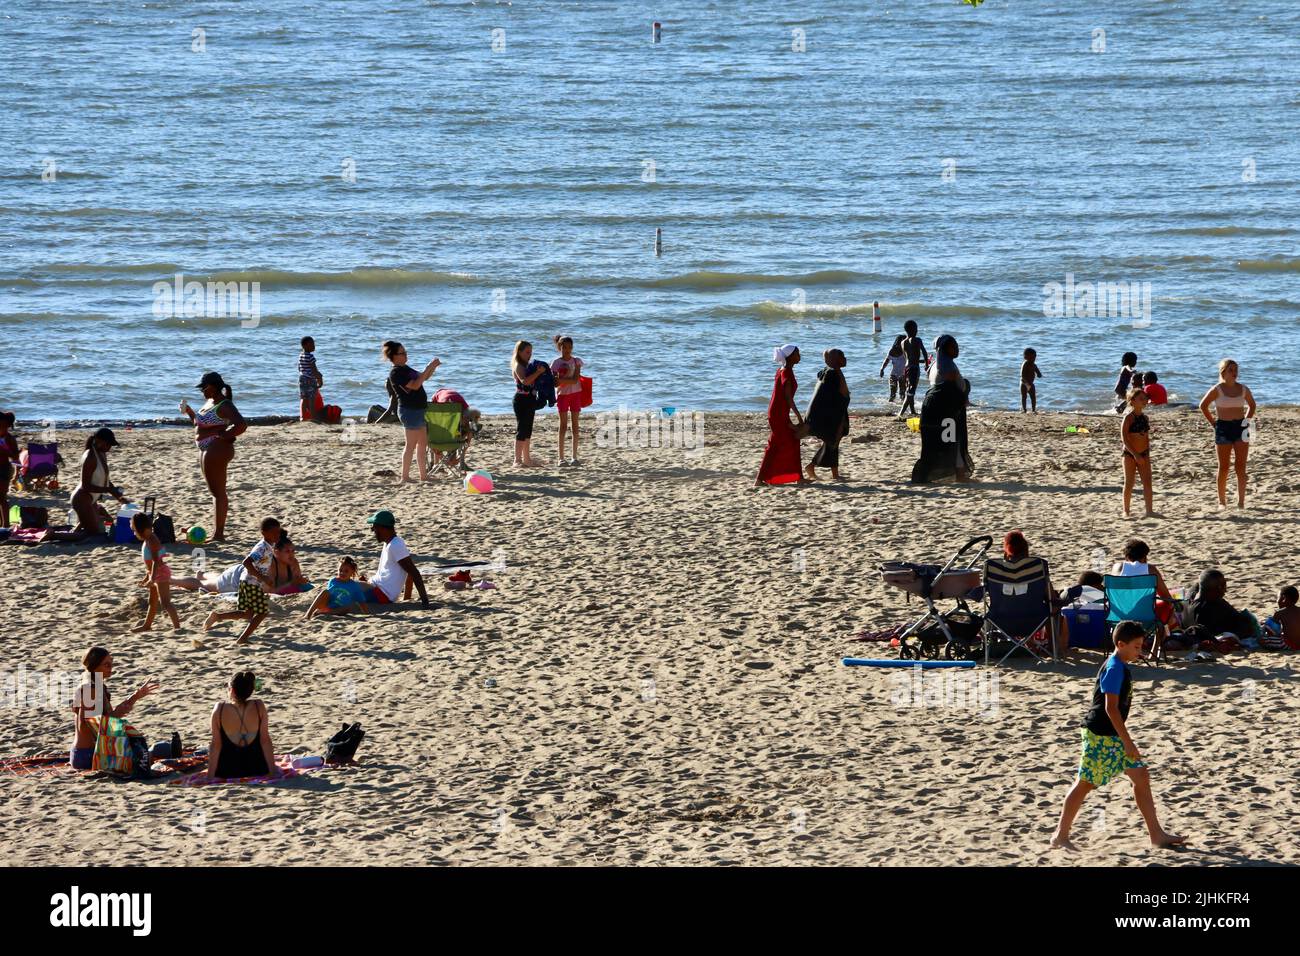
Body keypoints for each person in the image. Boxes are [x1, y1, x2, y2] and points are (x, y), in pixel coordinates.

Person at [1050, 621, 1185, 850]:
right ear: (1120, 644)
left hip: (1111, 735)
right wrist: (1127, 742)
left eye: (1141, 646)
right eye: (1136, 647)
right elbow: (1110, 709)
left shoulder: (1120, 665)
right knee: (1085, 784)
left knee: (1141, 776)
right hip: (1101, 735)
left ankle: (1156, 834)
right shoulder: (1114, 668)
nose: (1139, 651)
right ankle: (1060, 836)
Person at [69, 646, 161, 771]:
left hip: (90, 752)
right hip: (88, 755)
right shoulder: (90, 689)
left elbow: (109, 717)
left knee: (151, 753)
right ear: (95, 667)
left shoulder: (95, 685)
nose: (111, 668)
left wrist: (135, 696)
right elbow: (87, 724)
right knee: (153, 754)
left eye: (111, 663)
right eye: (106, 665)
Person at [181, 372, 245, 542]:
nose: (202, 391)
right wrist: (190, 412)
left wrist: (225, 436)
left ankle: (219, 534)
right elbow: (199, 424)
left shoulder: (224, 404)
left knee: (218, 493)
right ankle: (218, 533)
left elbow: (241, 424)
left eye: (204, 387)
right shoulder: (209, 402)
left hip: (217, 447)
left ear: (213, 387)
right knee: (214, 492)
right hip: (206, 447)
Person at [202, 517, 281, 643]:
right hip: (251, 583)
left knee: (247, 614)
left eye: (279, 532)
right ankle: (243, 639)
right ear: (264, 533)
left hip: (247, 582)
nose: (278, 535)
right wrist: (263, 578)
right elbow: (246, 562)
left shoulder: (269, 546)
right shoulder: (262, 548)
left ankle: (217, 616)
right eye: (274, 532)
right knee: (262, 613)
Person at [47, 428, 129, 543]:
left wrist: (118, 497)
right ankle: (53, 535)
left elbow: (105, 481)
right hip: (81, 500)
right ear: (99, 441)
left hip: (91, 500)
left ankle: (78, 527)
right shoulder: (90, 457)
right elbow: (86, 486)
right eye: (108, 444)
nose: (110, 448)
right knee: (91, 533)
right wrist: (106, 489)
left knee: (107, 521)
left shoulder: (101, 454)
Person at [911, 336, 973, 483]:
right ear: (945, 349)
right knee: (952, 440)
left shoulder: (935, 364)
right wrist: (964, 396)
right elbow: (950, 388)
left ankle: (932, 474)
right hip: (945, 409)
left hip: (933, 407)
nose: (957, 349)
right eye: (953, 346)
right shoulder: (948, 366)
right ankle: (959, 475)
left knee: (936, 442)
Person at [1198, 358, 1256, 509]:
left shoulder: (1243, 389)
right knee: (1223, 467)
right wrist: (1213, 423)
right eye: (1231, 370)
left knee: (1240, 466)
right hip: (1223, 427)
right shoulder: (1217, 389)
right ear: (1223, 372)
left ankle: (1241, 502)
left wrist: (1247, 421)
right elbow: (1203, 406)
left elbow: (1252, 405)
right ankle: (1221, 502)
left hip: (1241, 427)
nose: (1234, 373)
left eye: (1236, 370)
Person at [382, 341, 440, 482]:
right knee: (410, 445)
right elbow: (414, 385)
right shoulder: (396, 372)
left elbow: (423, 378)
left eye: (405, 352)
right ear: (395, 356)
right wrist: (428, 368)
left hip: (418, 410)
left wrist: (432, 367)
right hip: (409, 411)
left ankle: (423, 475)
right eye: (402, 353)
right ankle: (405, 477)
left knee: (422, 444)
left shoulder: (406, 368)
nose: (406, 355)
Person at [207, 670, 276, 780]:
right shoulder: (259, 706)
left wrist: (209, 777)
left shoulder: (219, 709)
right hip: (257, 769)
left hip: (227, 770)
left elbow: (216, 745)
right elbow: (265, 740)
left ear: (232, 690)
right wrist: (273, 771)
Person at [756, 345, 805, 486]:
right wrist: (800, 418)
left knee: (793, 441)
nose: (799, 355)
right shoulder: (786, 373)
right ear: (790, 357)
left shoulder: (783, 370)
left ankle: (798, 477)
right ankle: (759, 479)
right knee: (775, 445)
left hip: (778, 412)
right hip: (778, 414)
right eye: (797, 353)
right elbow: (789, 399)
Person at [1111, 538, 1178, 637]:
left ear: (1126, 556)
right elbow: (1166, 597)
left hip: (1117, 618)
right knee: (1169, 604)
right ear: (1145, 556)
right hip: (1145, 620)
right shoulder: (1150, 569)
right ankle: (1165, 638)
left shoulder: (1117, 567)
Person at [366, 510, 430, 607]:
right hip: (376, 587)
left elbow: (414, 572)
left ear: (381, 528)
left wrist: (425, 602)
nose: (373, 531)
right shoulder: (388, 542)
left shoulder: (396, 545)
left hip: (382, 594)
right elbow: (409, 572)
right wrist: (407, 597)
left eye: (374, 528)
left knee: (345, 589)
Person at [804, 349, 850, 481]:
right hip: (829, 415)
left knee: (832, 442)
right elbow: (841, 394)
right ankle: (817, 468)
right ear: (835, 359)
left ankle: (815, 467)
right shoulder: (832, 374)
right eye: (842, 356)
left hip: (828, 413)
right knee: (833, 441)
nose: (845, 359)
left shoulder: (827, 371)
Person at [130, 512, 181, 632]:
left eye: (135, 530)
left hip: (160, 573)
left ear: (143, 529)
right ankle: (147, 625)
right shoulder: (147, 539)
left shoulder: (152, 540)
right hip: (153, 573)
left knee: (165, 602)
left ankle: (177, 627)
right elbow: (149, 565)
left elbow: (156, 561)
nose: (134, 533)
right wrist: (146, 577)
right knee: (152, 601)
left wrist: (152, 579)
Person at [1184, 569, 1256, 641]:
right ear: (1218, 588)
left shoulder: (1190, 597)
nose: (1225, 590)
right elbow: (1244, 626)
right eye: (1223, 586)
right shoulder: (1215, 606)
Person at [303, 556, 380, 620]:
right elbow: (327, 596)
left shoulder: (354, 586)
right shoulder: (333, 581)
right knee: (324, 592)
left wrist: (367, 614)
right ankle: (308, 614)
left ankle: (322, 612)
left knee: (348, 608)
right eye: (340, 570)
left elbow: (362, 603)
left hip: (339, 610)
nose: (342, 573)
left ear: (352, 572)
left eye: (346, 571)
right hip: (327, 606)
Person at [512, 340, 549, 467]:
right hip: (521, 400)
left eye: (531, 352)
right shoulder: (518, 365)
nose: (530, 355)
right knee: (521, 429)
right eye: (527, 352)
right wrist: (538, 372)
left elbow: (537, 381)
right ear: (519, 352)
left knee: (528, 430)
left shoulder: (529, 365)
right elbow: (525, 381)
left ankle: (527, 459)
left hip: (531, 399)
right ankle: (517, 460)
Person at [1120, 387, 1154, 518]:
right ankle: (1126, 510)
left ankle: (1149, 510)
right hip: (1130, 454)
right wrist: (1135, 454)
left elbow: (1145, 437)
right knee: (1129, 482)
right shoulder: (1128, 418)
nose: (1145, 401)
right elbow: (1124, 438)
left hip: (1144, 453)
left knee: (1147, 482)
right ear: (1132, 400)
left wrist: (1145, 454)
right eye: (1141, 399)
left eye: (1145, 398)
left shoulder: (1145, 418)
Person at [551, 335, 585, 466]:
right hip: (562, 395)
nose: (567, 350)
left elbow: (575, 380)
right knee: (563, 425)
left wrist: (561, 380)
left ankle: (574, 457)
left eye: (570, 347)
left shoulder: (576, 361)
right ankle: (561, 458)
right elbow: (554, 383)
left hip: (575, 394)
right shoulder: (556, 363)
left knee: (575, 425)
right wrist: (561, 381)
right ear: (560, 347)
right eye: (564, 347)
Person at [898, 321, 929, 418]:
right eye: (916, 328)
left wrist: (921, 361)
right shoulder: (917, 340)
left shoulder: (902, 342)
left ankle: (912, 411)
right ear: (912, 330)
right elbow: (924, 352)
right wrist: (927, 364)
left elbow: (908, 358)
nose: (917, 330)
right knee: (911, 391)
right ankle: (901, 413)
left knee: (909, 390)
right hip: (914, 368)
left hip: (907, 367)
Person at [1262, 587, 1300, 651]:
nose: (1277, 601)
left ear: (1283, 598)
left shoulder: (1280, 613)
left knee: (1262, 639)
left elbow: (1270, 629)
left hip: (1288, 644)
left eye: (1278, 598)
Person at [298, 336, 325, 423]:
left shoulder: (301, 356)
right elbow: (314, 370)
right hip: (310, 380)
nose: (314, 346)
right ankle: (313, 418)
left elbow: (299, 368)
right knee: (311, 399)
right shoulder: (311, 357)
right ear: (305, 346)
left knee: (303, 398)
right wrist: (320, 378)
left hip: (302, 379)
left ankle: (302, 417)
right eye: (312, 344)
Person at [0, 411, 17, 529]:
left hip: (4, 468)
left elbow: (15, 457)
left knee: (1, 498)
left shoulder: (10, 439)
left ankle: (5, 525)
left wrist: (5, 451)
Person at [879, 335, 906, 403]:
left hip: (903, 375)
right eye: (903, 341)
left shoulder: (906, 350)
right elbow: (886, 360)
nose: (904, 343)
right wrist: (882, 369)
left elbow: (911, 360)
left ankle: (901, 408)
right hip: (893, 375)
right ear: (898, 342)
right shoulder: (892, 351)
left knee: (902, 394)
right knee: (892, 394)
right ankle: (890, 408)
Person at [1020, 348, 1042, 413]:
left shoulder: (1034, 365)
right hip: (1024, 383)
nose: (1034, 359)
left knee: (1033, 397)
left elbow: (1038, 372)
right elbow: (1022, 375)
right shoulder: (1025, 364)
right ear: (1025, 357)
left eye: (1035, 357)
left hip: (1031, 384)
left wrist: (1039, 374)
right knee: (1024, 397)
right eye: (1032, 357)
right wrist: (1026, 384)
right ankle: (1024, 409)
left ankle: (1033, 410)